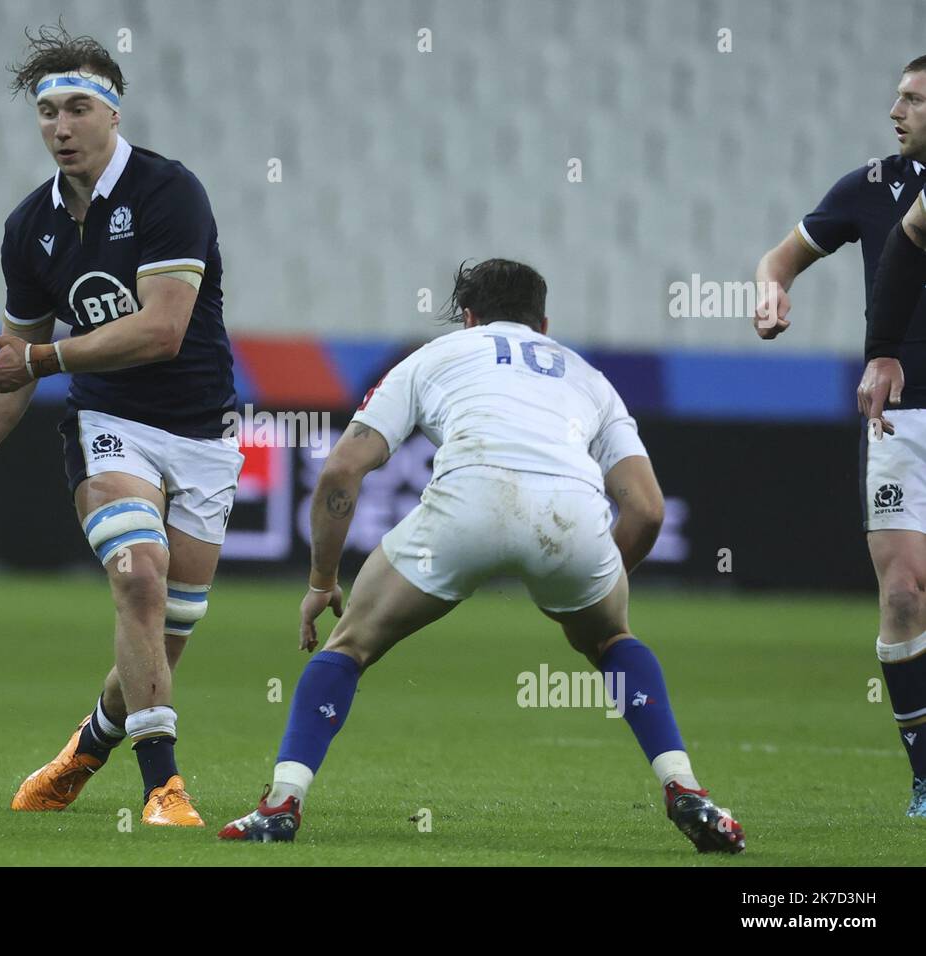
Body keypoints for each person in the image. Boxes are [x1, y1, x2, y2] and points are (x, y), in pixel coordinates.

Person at [218, 259, 745, 852]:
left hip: (468, 501)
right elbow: (647, 509)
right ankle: (685, 789)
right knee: (613, 642)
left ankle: (281, 804)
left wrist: (320, 580)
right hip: (569, 516)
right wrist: (597, 587)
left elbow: (343, 469)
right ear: (543, 322)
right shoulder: (589, 378)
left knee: (350, 646)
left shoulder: (432, 357)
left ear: (467, 318)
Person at [0, 23, 242, 827]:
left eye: (77, 108)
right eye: (47, 111)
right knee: (138, 578)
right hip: (108, 422)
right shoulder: (29, 229)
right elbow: (9, 371)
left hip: (201, 434)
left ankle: (87, 745)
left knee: (165, 633)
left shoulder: (169, 194)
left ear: (113, 115)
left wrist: (40, 358)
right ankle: (165, 787)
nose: (59, 127)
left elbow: (161, 330)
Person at [754, 55, 926, 817]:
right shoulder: (870, 186)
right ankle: (924, 775)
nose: (897, 111)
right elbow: (781, 257)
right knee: (901, 593)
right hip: (899, 413)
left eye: (915, 100)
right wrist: (770, 293)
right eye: (898, 97)